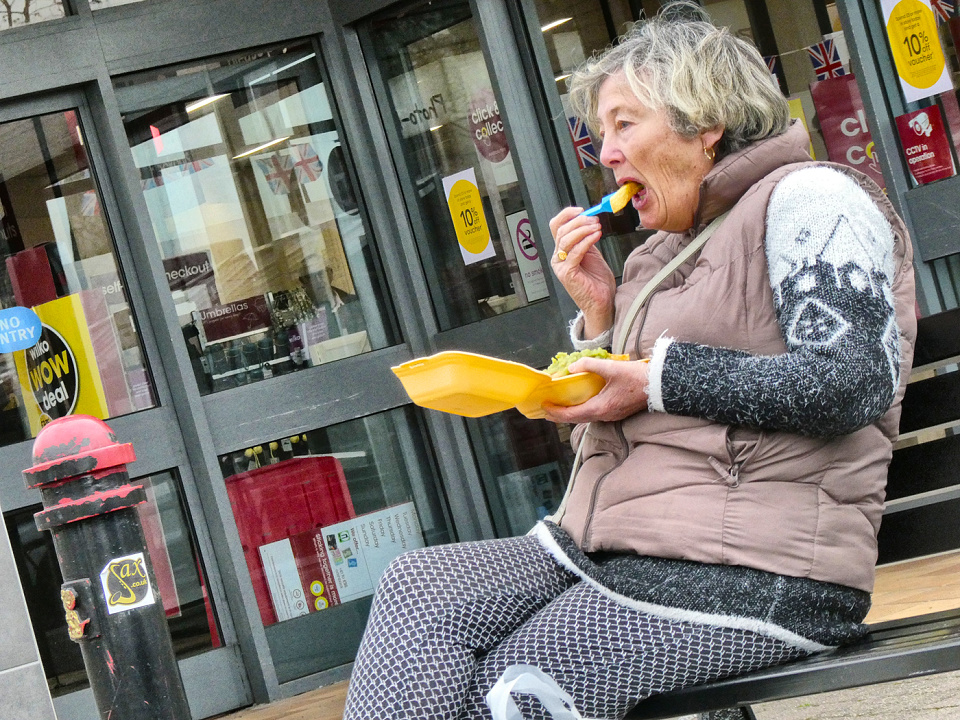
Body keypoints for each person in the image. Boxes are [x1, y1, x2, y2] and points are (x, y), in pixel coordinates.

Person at [342, 5, 917, 719]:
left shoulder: (813, 200)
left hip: (755, 568)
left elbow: (850, 382)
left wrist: (657, 379)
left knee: (516, 691)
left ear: (706, 123)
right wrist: (599, 319)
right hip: (615, 547)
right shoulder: (656, 252)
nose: (605, 154)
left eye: (624, 125)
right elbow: (623, 425)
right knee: (422, 590)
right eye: (601, 132)